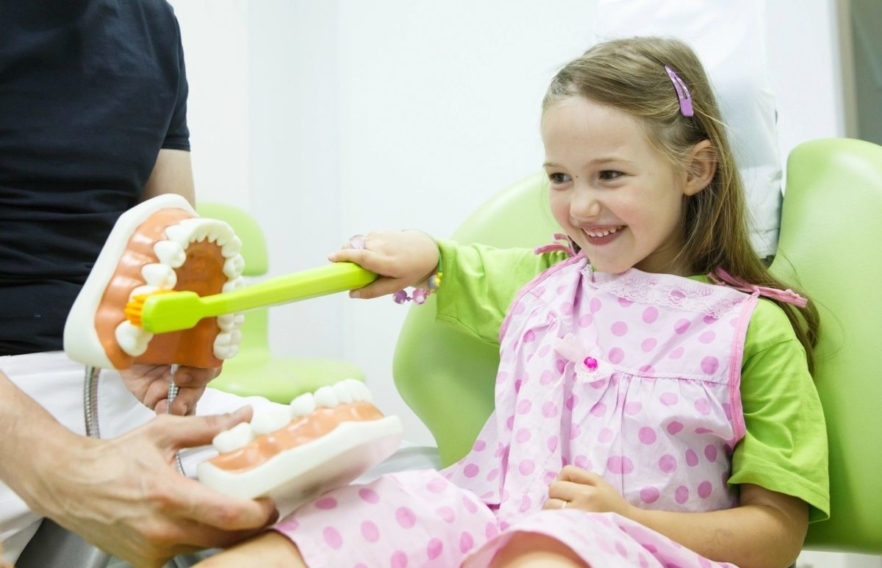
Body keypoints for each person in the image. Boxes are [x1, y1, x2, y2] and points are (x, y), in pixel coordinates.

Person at [194, 37, 829, 568]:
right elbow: (457, 267)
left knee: (548, 553)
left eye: (610, 175)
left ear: (696, 170)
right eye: (560, 177)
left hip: (643, 549)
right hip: (496, 522)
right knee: (377, 511)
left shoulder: (752, 331)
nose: (581, 206)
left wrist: (627, 517)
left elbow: (775, 538)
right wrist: (417, 251)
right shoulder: (545, 285)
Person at [0, 1, 282, 565]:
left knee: (345, 504)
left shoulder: (150, 20)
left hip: (111, 379)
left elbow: (171, 234)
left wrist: (180, 338)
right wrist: (62, 469)